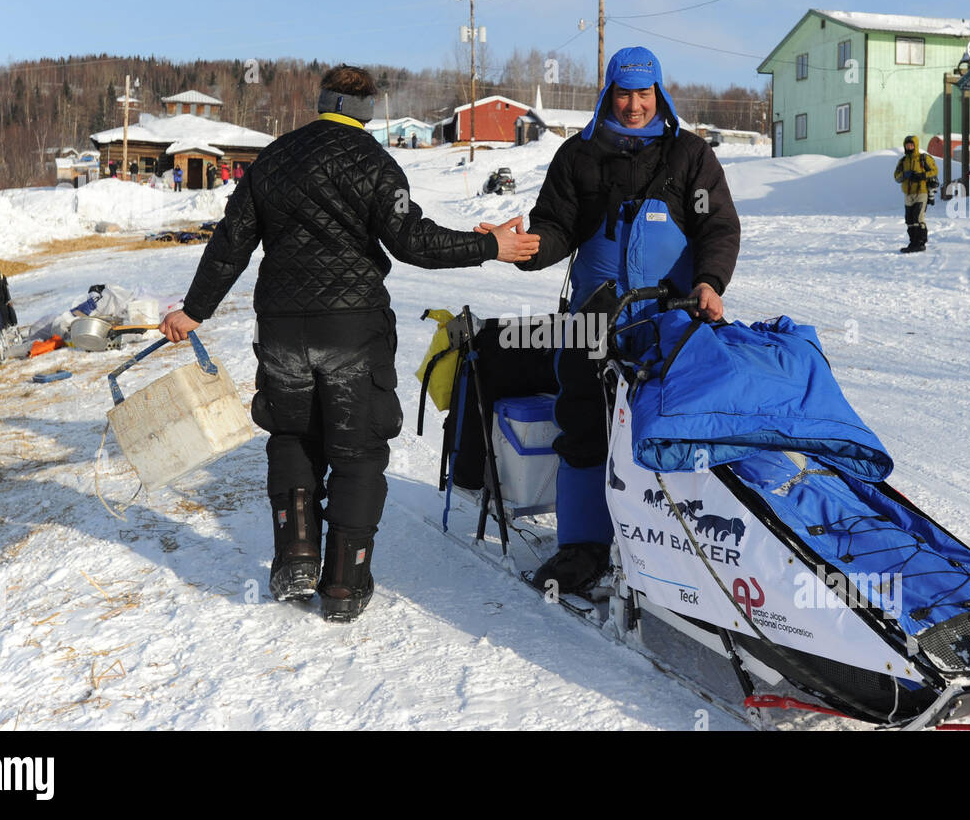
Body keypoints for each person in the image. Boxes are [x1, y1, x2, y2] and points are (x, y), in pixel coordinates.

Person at [158, 64, 539, 623]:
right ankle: (344, 583)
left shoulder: (274, 158)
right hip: (352, 330)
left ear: (321, 102)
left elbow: (230, 243)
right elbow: (414, 241)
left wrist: (194, 311)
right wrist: (490, 247)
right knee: (357, 448)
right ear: (367, 111)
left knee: (292, 435)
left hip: (283, 327)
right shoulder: (374, 163)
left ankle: (295, 555)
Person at [481, 46, 741, 594]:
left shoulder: (690, 156)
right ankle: (581, 548)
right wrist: (525, 246)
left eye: (643, 93)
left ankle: (675, 548)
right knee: (583, 425)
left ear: (659, 93)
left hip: (671, 318)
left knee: (672, 428)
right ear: (608, 92)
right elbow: (556, 229)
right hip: (592, 315)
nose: (633, 105)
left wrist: (710, 283)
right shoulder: (579, 155)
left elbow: (719, 227)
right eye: (623, 93)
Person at [894, 134, 937, 253]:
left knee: (918, 217)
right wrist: (904, 175)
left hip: (921, 192)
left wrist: (922, 175)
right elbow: (896, 177)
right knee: (909, 219)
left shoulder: (923, 158)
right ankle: (913, 242)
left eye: (911, 145)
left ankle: (921, 242)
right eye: (907, 145)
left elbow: (934, 171)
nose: (909, 147)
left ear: (916, 145)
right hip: (908, 194)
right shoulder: (903, 161)